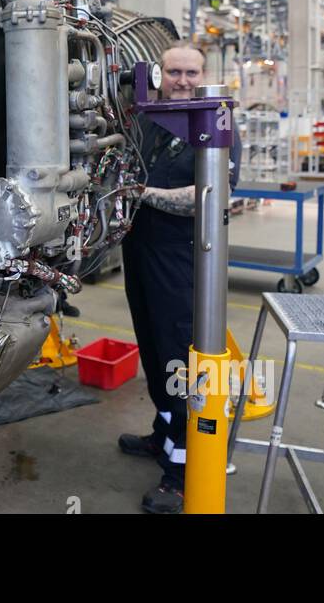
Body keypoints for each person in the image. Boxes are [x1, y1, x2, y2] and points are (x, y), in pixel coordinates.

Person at [118, 41, 240, 514]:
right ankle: (162, 436)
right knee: (152, 349)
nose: (183, 81)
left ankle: (184, 472)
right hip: (141, 253)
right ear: (159, 75)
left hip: (185, 261)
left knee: (180, 362)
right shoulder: (150, 118)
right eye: (174, 72)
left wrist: (141, 194)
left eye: (191, 73)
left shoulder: (215, 119)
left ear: (204, 75)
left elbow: (211, 195)